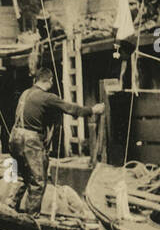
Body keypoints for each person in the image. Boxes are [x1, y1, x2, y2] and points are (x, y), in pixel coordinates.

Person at [8, 67, 104, 216]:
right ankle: (31, 218)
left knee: (23, 176)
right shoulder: (47, 97)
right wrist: (92, 110)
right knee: (38, 180)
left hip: (15, 137)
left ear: (36, 79)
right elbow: (71, 109)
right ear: (50, 80)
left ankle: (10, 205)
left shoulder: (25, 93)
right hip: (29, 140)